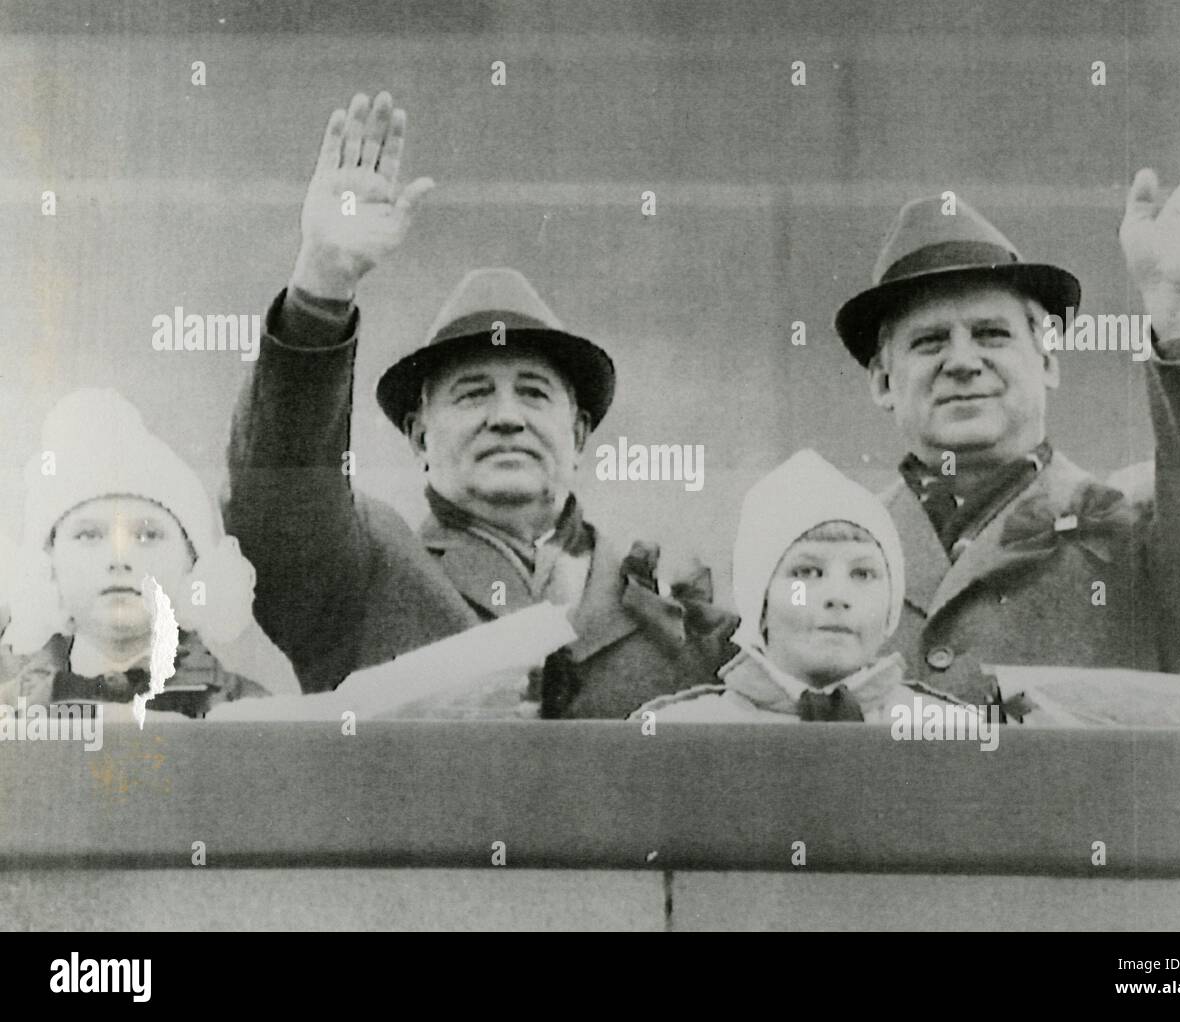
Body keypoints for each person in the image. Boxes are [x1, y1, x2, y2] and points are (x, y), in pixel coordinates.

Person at [225, 92, 735, 717]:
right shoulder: (366, 567)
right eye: (473, 394)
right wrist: (321, 288)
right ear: (418, 436)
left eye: (533, 392)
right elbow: (281, 499)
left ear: (578, 433)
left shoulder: (668, 596)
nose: (506, 416)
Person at [832, 126, 1180, 704]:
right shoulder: (822, 549)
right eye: (929, 342)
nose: (962, 361)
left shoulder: (1137, 534)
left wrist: (1179, 306)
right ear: (882, 382)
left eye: (991, 334)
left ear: (1048, 359)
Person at [0, 389, 280, 717]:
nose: (119, 558)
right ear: (49, 565)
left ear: (193, 564)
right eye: (89, 535)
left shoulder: (247, 714)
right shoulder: (10, 712)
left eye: (148, 535)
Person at [637, 450, 969, 723]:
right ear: (761, 604)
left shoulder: (948, 731)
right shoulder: (680, 730)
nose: (838, 597)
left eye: (863, 574)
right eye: (806, 573)